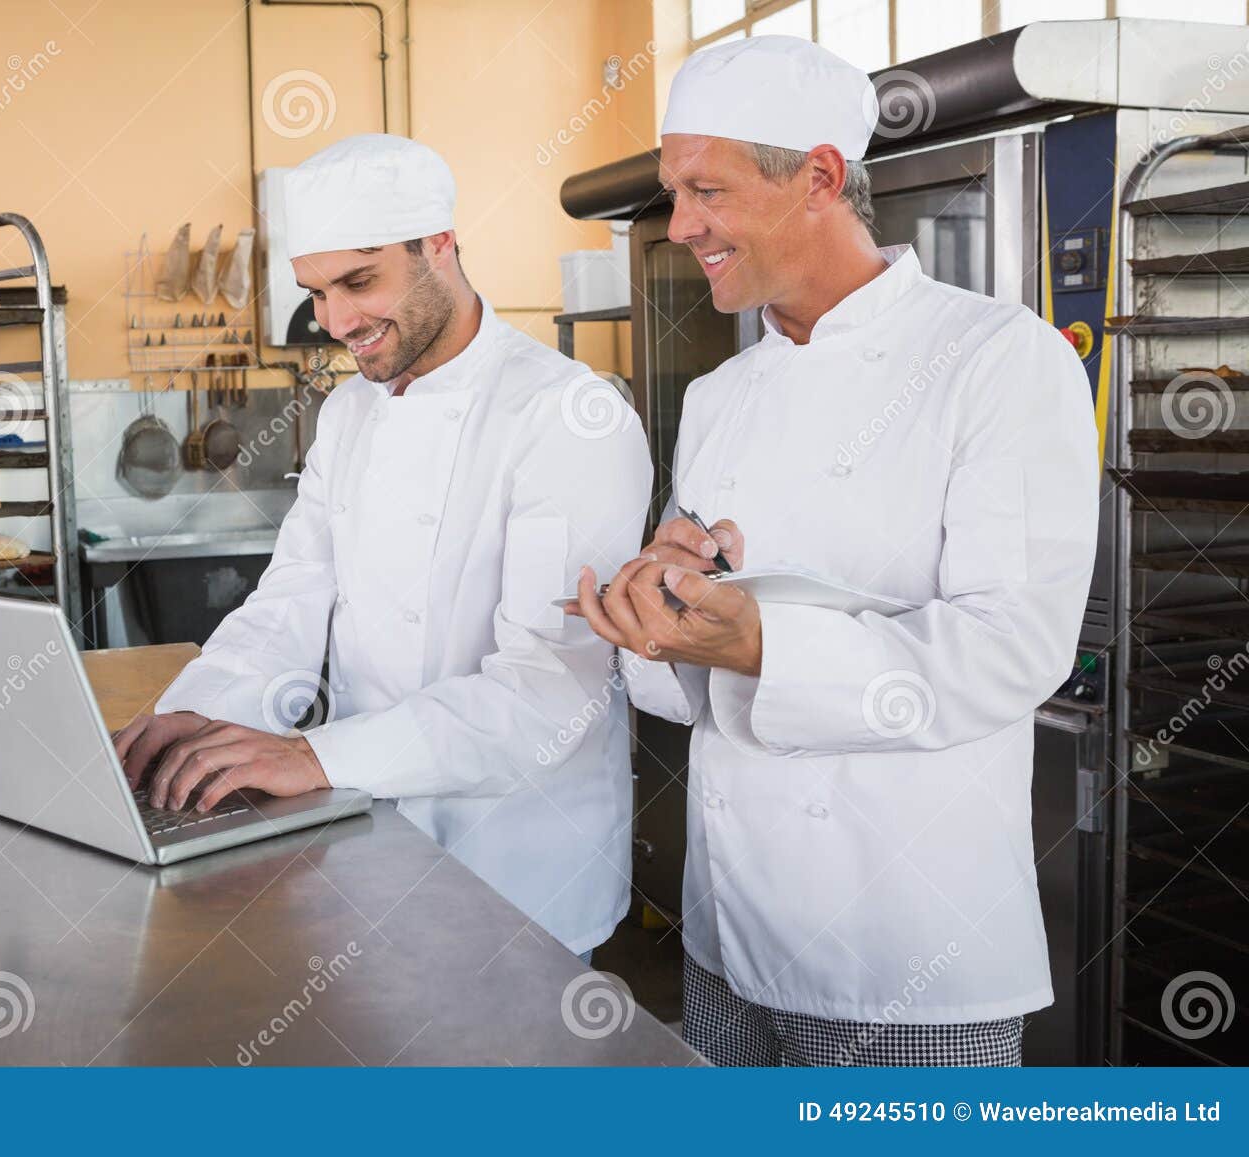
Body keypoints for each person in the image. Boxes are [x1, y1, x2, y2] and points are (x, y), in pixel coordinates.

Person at [571, 37, 1098, 1065]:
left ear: (817, 176)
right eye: (675, 193)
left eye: (704, 190)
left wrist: (764, 642)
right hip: (726, 930)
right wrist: (658, 607)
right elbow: (689, 674)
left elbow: (1013, 646)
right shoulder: (723, 395)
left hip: (903, 952)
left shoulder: (997, 358)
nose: (680, 227)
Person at [115, 133, 653, 959]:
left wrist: (313, 756)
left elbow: (550, 694)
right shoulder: (350, 413)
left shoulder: (566, 417)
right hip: (367, 840)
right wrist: (199, 708)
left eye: (359, 282)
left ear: (439, 245)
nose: (335, 321)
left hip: (517, 869)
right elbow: (293, 594)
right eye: (316, 291)